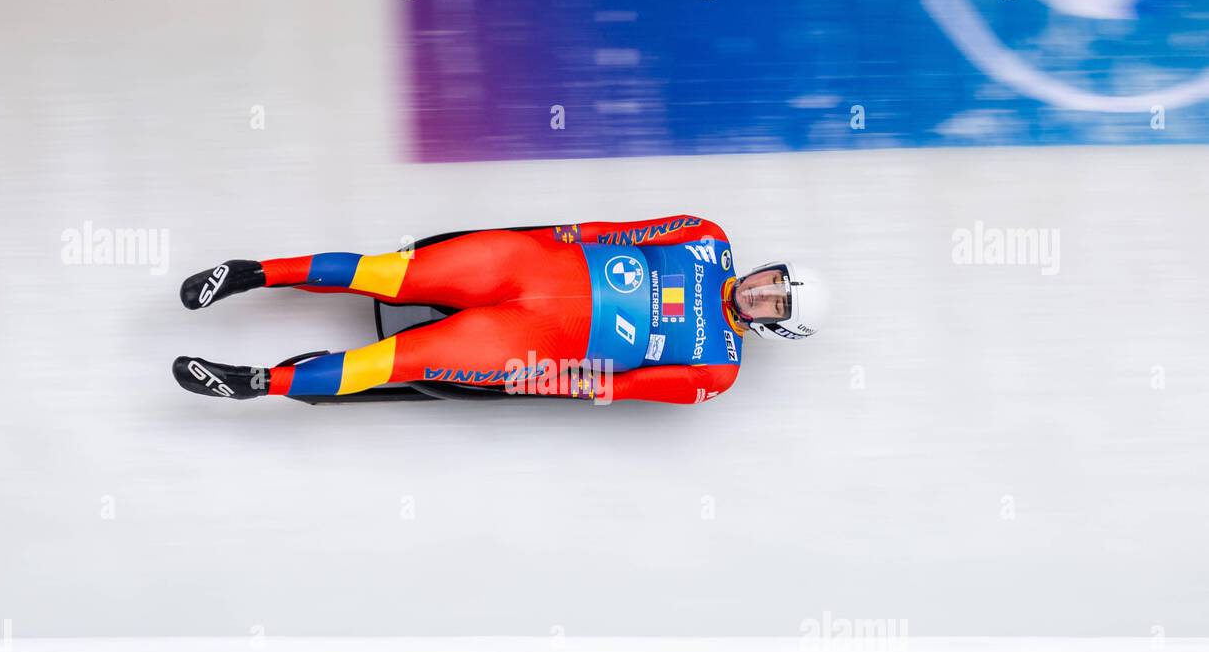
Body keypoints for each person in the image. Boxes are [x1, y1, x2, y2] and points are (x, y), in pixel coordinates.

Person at [172, 214, 825, 405]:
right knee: (386, 274)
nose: (760, 289)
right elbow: (612, 231)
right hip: (522, 264)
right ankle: (255, 274)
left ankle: (257, 383)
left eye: (771, 301)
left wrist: (533, 378)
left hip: (529, 340)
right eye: (771, 278)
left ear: (772, 325)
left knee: (393, 360)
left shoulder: (717, 370)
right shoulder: (706, 237)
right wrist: (542, 240)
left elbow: (615, 387)